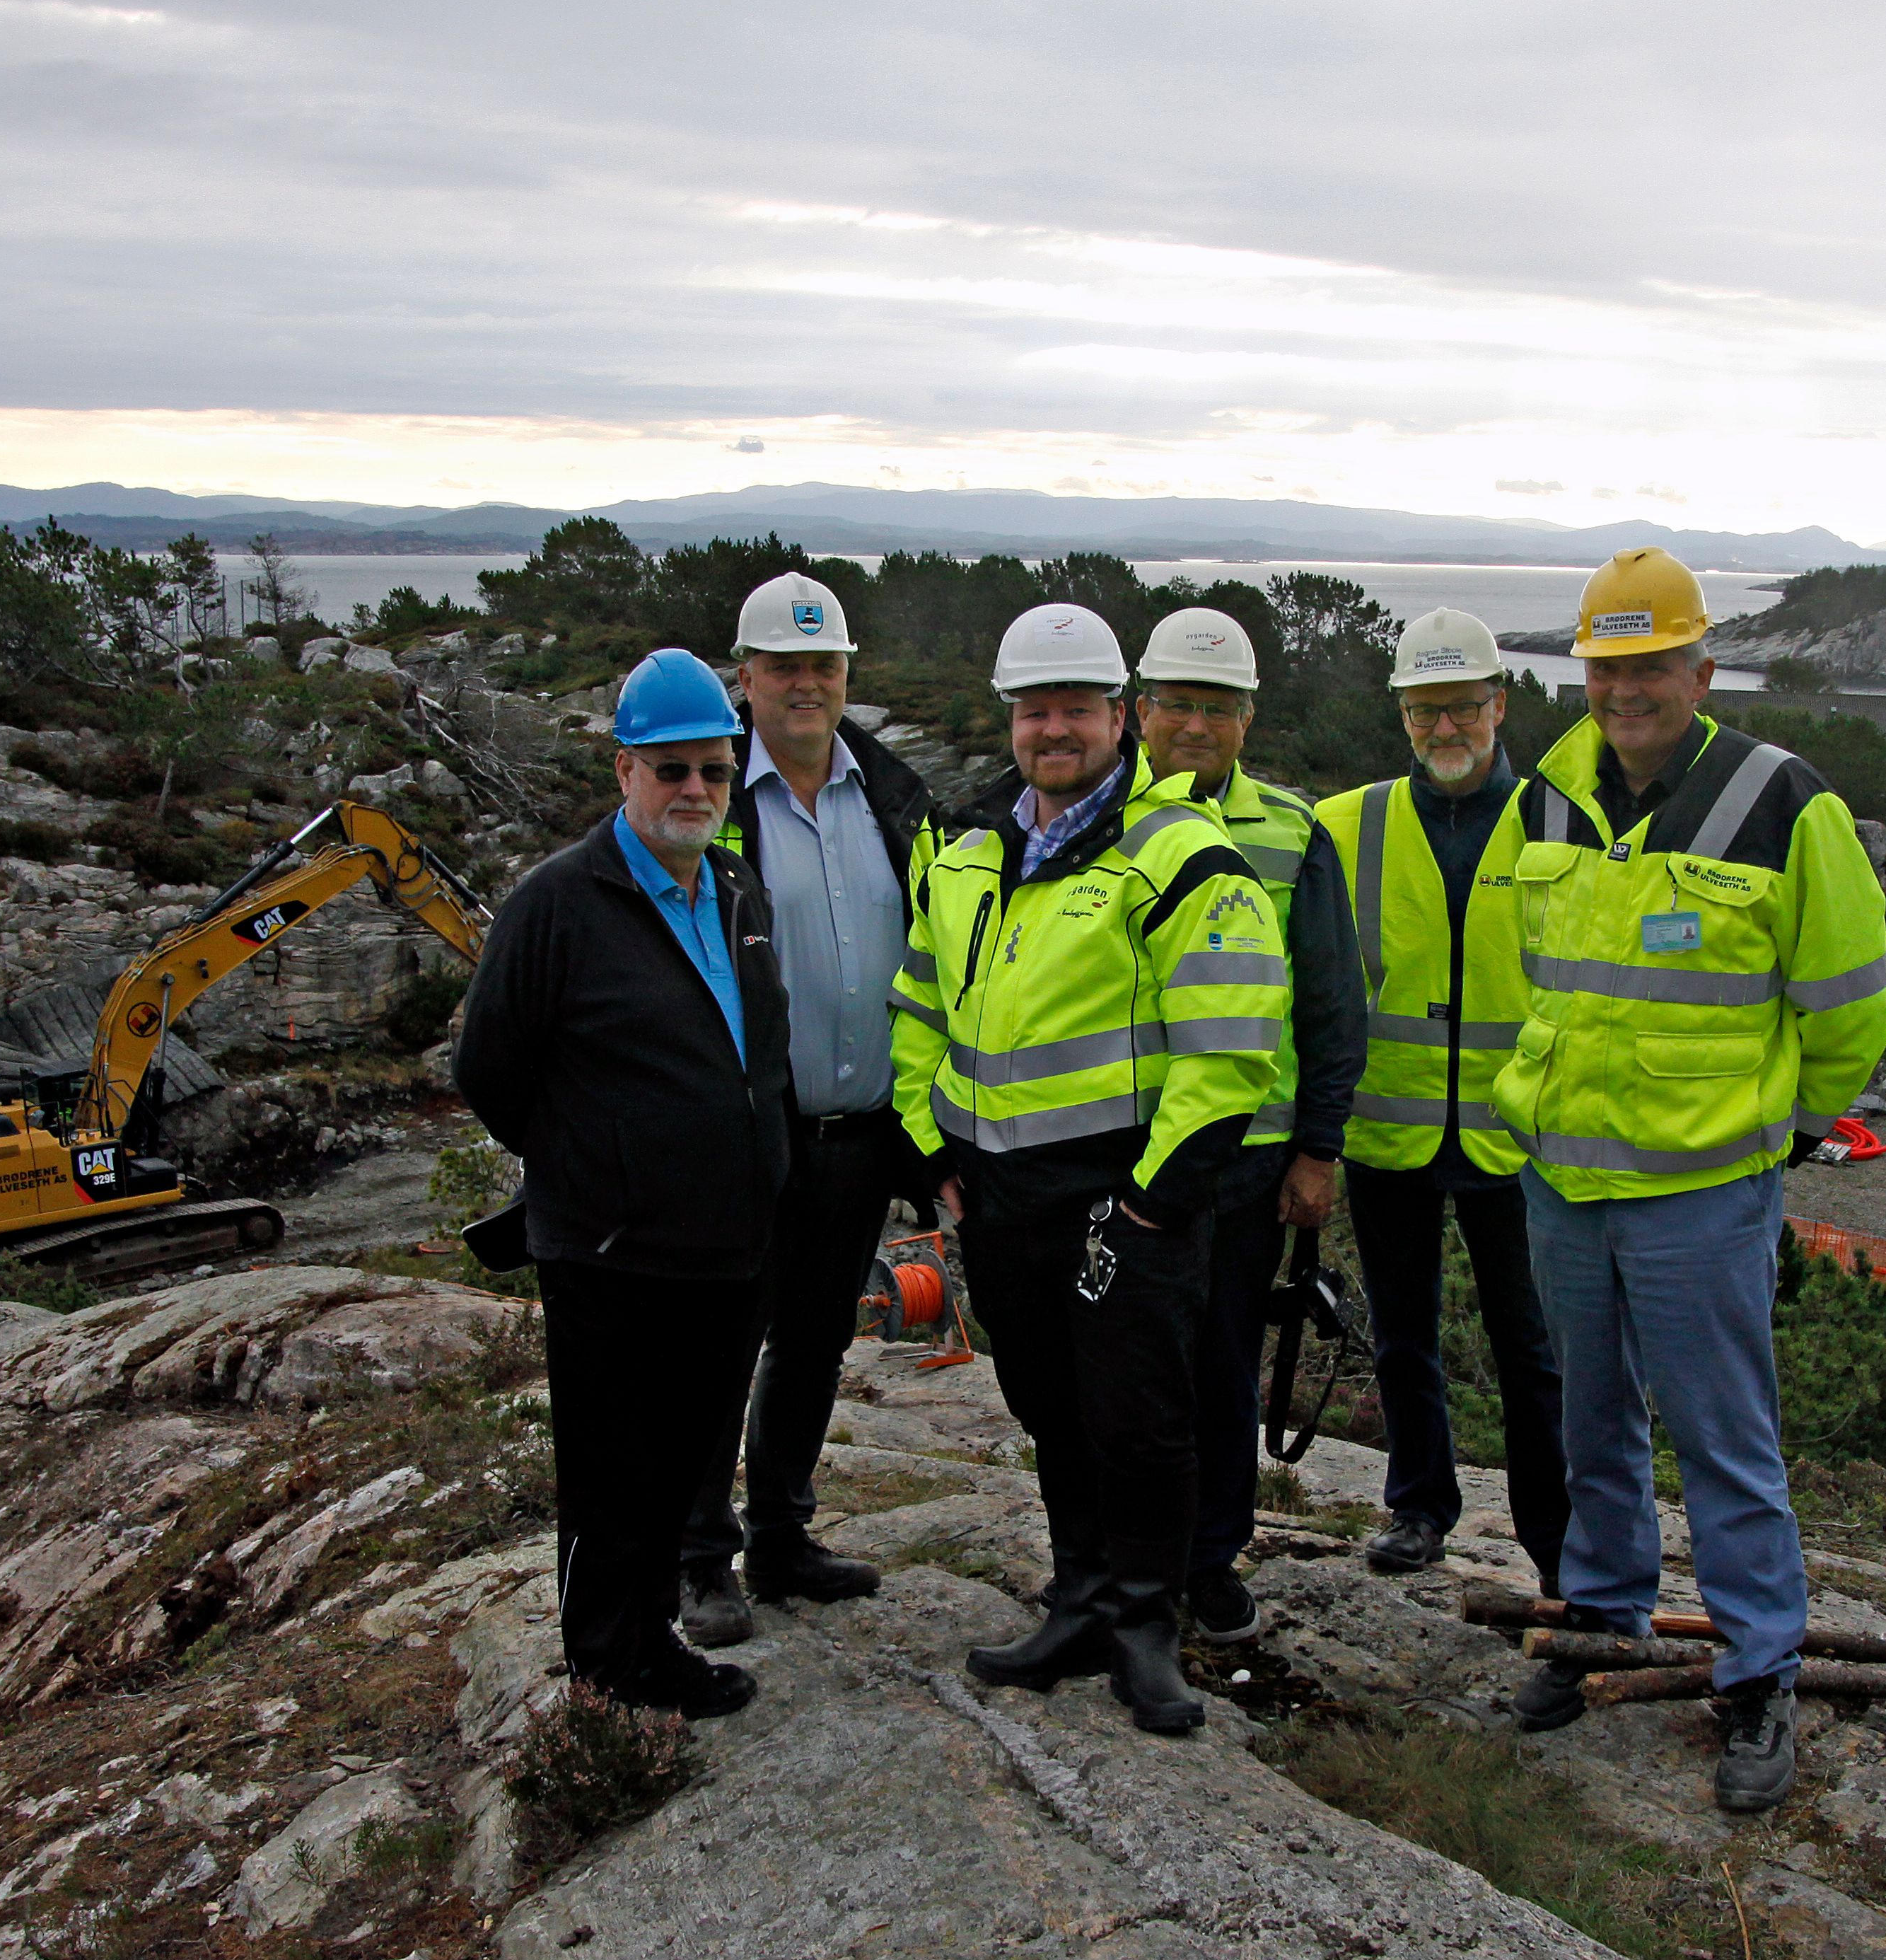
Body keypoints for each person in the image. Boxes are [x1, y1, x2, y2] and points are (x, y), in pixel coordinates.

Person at [1497, 550, 1886, 1813]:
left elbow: (1844, 1010)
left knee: (1724, 1440)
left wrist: (1781, 1128)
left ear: (1699, 669)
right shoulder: (1547, 799)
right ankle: (1603, 1615)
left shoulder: (1782, 804)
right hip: (1563, 1180)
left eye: (1651, 665)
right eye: (1607, 668)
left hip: (1699, 1190)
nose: (1626, 691)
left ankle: (1759, 1668)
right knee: (1589, 1422)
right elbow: (1531, 975)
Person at [889, 603, 1286, 1735]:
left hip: (1124, 1195)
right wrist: (932, 1152)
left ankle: (1148, 1626)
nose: (1053, 729)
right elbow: (917, 1006)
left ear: (1122, 717)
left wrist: (1157, 1205)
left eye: (1076, 709)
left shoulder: (1181, 857)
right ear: (1011, 723)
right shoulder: (971, 852)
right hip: (1002, 1195)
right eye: (1034, 711)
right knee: (1049, 1405)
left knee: (1142, 1413)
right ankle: (1080, 1598)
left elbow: (1231, 1051)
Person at [455, 648, 793, 1721]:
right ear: (624, 774)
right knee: (615, 1469)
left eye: (712, 770)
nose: (694, 789)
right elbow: (490, 1070)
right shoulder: (558, 903)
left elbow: (754, 1055)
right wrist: (594, 1163)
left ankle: (650, 1638)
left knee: (689, 1454)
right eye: (670, 770)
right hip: (610, 1249)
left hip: (730, 1242)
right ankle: (614, 1659)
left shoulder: (735, 887)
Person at [676, 572, 952, 1648]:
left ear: (847, 678)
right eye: (782, 667)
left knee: (814, 1342)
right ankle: (701, 1559)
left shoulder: (894, 795)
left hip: (862, 1130)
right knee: (719, 1342)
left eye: (823, 666)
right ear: (744, 680)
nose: (805, 684)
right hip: (748, 1134)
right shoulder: (710, 800)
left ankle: (783, 1535)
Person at [1310, 608, 1568, 1589]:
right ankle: (1420, 1507)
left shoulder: (1555, 817)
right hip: (1389, 1133)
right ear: (1403, 718)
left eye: (1463, 707)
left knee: (1532, 1355)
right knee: (1406, 1337)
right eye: (1426, 711)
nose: (1445, 729)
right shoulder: (1347, 823)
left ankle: (1556, 1537)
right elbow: (1321, 986)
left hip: (1519, 1137)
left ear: (1500, 705)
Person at [1124, 608, 1363, 1647]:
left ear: (1248, 719)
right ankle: (1120, 1556)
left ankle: (1210, 1558)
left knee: (1221, 1360)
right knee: (1128, 1362)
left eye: (1215, 707)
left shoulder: (1294, 830)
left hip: (1250, 1159)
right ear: (1139, 710)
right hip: (1128, 1150)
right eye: (1176, 702)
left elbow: (1330, 1003)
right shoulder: (1093, 813)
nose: (1193, 724)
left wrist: (1318, 1149)